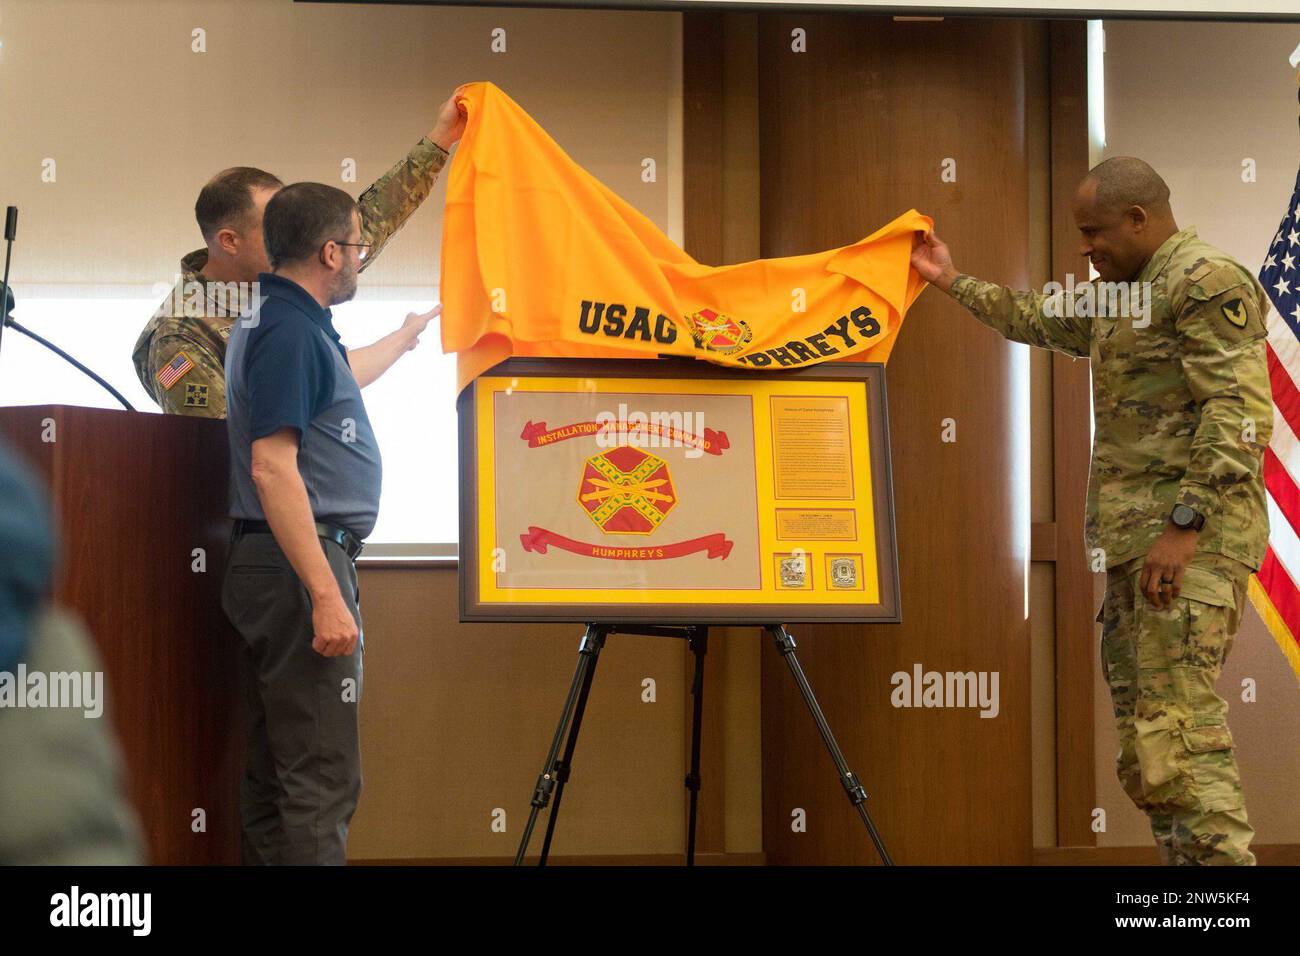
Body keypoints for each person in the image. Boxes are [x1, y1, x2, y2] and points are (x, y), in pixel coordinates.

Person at [912, 156, 1270, 865]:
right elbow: (1036, 316)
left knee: (1182, 737)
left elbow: (1239, 413)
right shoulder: (1124, 295)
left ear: (1140, 219)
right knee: (1151, 749)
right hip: (1139, 554)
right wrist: (950, 279)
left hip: (1187, 547)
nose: (1086, 248)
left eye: (1094, 232)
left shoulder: (1204, 280)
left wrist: (1185, 524)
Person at [221, 182, 434, 865]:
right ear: (331, 251)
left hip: (272, 562)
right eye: (359, 249)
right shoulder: (288, 331)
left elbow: (340, 372)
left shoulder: (281, 321)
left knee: (276, 775)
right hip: (297, 565)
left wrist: (403, 339)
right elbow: (273, 468)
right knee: (321, 778)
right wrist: (323, 592)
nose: (361, 263)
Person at [132, 93, 465, 417]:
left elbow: (368, 223)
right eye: (275, 225)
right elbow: (234, 450)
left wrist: (440, 139)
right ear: (229, 241)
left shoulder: (280, 273)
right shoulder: (181, 336)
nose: (296, 234)